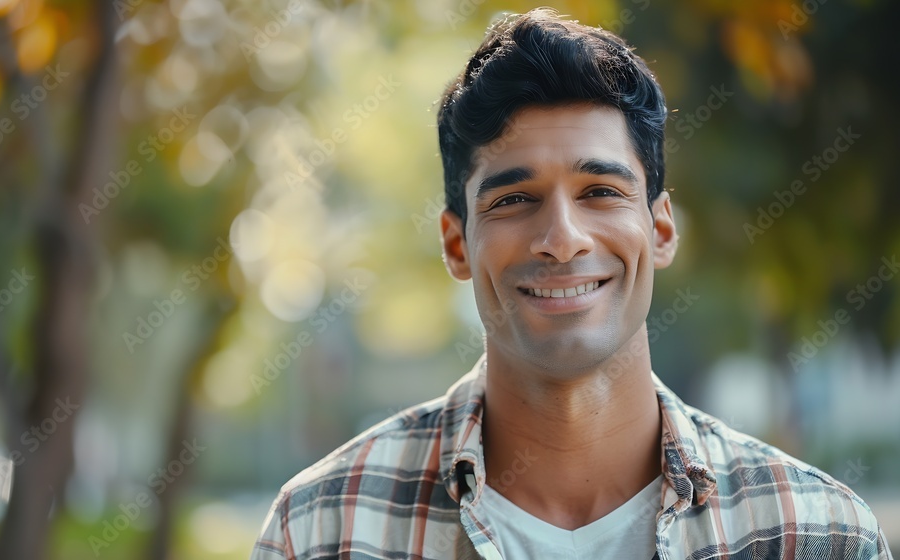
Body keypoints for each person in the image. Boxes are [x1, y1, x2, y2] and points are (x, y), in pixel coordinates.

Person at [251, 8, 893, 559]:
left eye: (601, 192)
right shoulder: (323, 531)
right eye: (513, 200)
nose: (562, 238)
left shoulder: (813, 534)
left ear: (661, 230)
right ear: (456, 244)